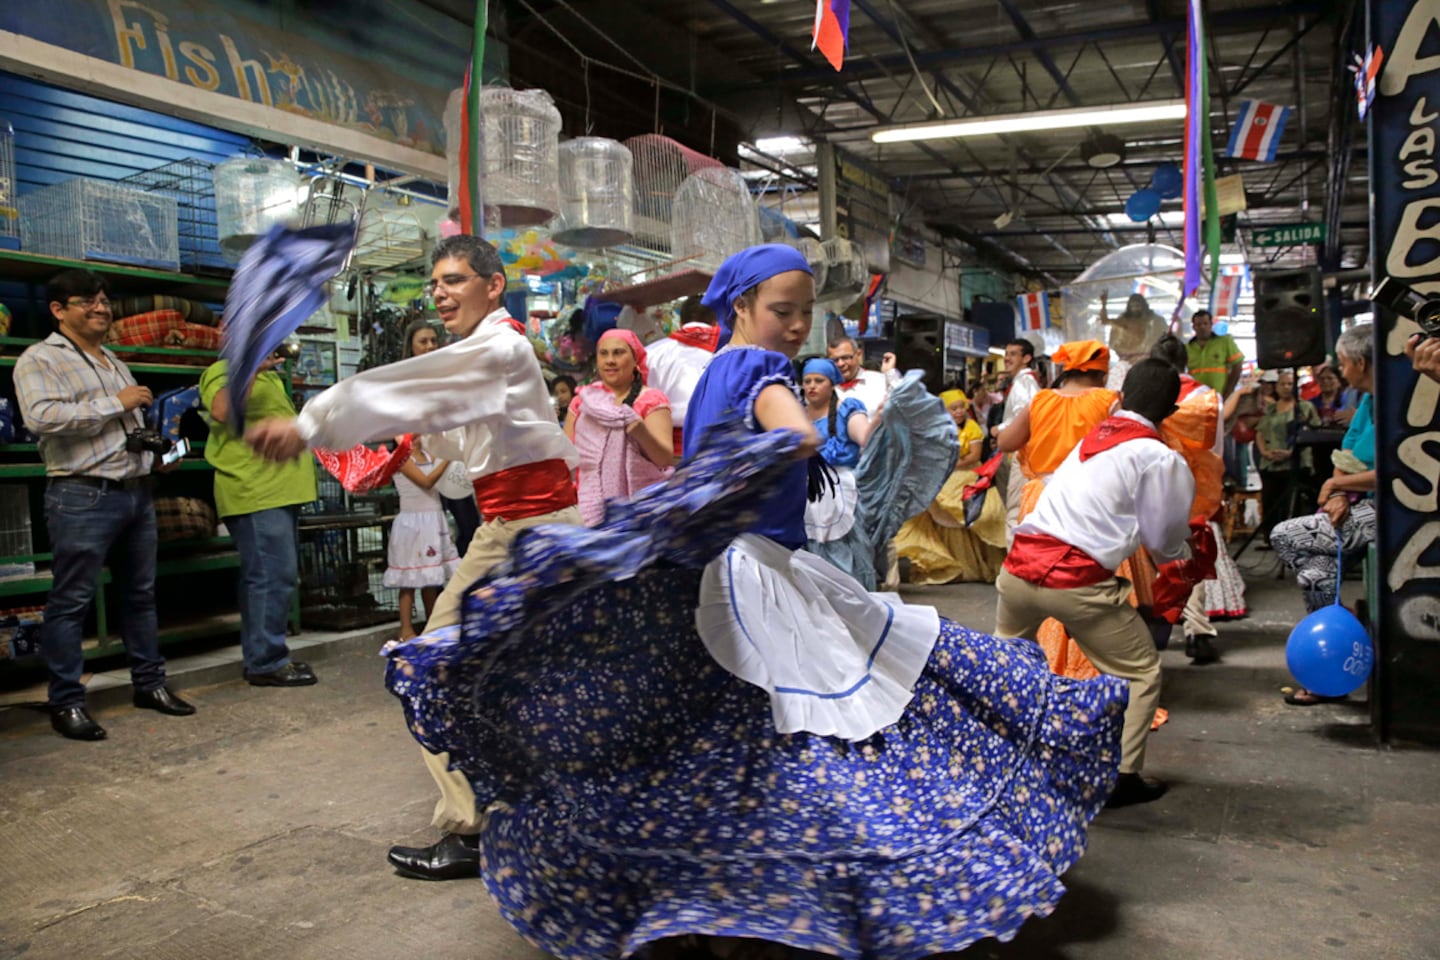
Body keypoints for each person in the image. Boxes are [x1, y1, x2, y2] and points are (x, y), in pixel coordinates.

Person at [378, 243, 1128, 959]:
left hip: (730, 569)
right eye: (782, 310)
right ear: (742, 306)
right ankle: (778, 900)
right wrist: (793, 439)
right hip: (754, 581)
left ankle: (725, 903)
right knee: (803, 738)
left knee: (731, 743)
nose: (797, 327)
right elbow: (793, 430)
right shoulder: (759, 368)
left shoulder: (715, 371)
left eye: (805, 313)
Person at [245, 234, 581, 881]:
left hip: (524, 533)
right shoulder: (492, 353)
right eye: (436, 283)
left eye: (454, 280)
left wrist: (311, 424)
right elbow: (454, 431)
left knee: (431, 667)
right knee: (525, 677)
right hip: (520, 529)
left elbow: (408, 391)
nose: (440, 293)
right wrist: (394, 442)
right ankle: (531, 814)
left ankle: (473, 828)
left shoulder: (498, 348)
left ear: (494, 284)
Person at [997, 359, 1198, 808]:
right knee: (1140, 672)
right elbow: (1162, 540)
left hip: (1018, 568)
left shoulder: (1089, 441)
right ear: (1170, 411)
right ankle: (1122, 777)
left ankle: (1004, 755)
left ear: (1120, 398)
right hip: (1075, 581)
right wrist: (1185, 554)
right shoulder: (1159, 457)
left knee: (1010, 667)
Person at [14, 269, 195, 741]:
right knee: (71, 601)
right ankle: (67, 702)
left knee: (140, 596)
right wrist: (116, 402)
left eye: (103, 301)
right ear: (58, 310)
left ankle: (149, 685)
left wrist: (160, 456)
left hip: (135, 491)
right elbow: (41, 417)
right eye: (87, 301)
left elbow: (128, 429)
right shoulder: (39, 359)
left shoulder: (112, 359)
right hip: (82, 493)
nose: (101, 308)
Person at [1271, 324, 1376, 706]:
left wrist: (1338, 486)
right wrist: (1340, 491)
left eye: (1344, 364)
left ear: (1361, 363)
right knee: (1315, 576)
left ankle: (1348, 621)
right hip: (1355, 502)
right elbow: (1344, 453)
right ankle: (1332, 676)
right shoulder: (1367, 403)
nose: (1341, 371)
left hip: (1381, 512)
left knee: (1284, 535)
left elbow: (1398, 470)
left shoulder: (1398, 404)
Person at [201, 354, 319, 687]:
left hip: (279, 491)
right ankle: (266, 661)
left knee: (270, 576)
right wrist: (251, 366)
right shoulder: (221, 370)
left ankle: (264, 655)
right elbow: (222, 410)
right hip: (256, 489)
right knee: (271, 576)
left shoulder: (270, 377)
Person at [1149, 335, 1244, 661]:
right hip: (1196, 490)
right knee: (1190, 559)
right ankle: (1197, 631)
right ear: (1185, 360)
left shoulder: (1150, 395)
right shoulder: (1208, 397)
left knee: (1154, 561)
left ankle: (1159, 626)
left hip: (1155, 488)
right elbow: (1215, 446)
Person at [895, 387, 1008, 583]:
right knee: (932, 505)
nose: (958, 412)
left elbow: (973, 455)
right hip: (943, 475)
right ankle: (947, 561)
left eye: (961, 407)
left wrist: (948, 464)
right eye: (953, 408)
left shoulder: (971, 427)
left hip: (968, 474)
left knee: (962, 507)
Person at [565, 329, 673, 526]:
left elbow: (664, 459)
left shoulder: (651, 400)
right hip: (587, 507)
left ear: (635, 359)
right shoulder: (582, 402)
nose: (610, 361)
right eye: (603, 353)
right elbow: (566, 459)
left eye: (618, 353)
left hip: (643, 512)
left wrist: (641, 433)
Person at [404, 319, 481, 557]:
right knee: (433, 531)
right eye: (423, 341)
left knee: (469, 525)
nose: (430, 346)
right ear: (411, 346)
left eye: (433, 341)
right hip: (421, 463)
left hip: (451, 461)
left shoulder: (447, 376)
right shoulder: (405, 382)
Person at [384, 437, 460, 640]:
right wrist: (447, 460)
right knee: (408, 580)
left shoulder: (427, 454)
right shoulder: (401, 458)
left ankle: (432, 626)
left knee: (430, 579)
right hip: (412, 524)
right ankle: (406, 630)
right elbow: (426, 482)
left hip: (434, 520)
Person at [646, 296, 719, 455]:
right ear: (715, 322)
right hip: (712, 445)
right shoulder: (729, 351)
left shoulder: (651, 353)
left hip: (659, 446)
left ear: (680, 322)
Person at [1254, 370, 1320, 546]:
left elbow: (1313, 433)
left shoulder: (1305, 407)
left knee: (1293, 504)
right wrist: (1264, 452)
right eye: (1282, 384)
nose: (1286, 387)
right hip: (1271, 463)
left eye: (1290, 384)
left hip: (1295, 463)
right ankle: (1272, 539)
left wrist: (1291, 452)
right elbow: (1260, 432)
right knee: (1270, 501)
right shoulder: (1271, 408)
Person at [991, 337, 1043, 544]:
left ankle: (1014, 558)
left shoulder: (1024, 382)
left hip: (1021, 453)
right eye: (1007, 354)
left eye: (1013, 354)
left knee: (1015, 509)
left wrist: (999, 429)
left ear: (1026, 358)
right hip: (1025, 452)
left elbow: (1024, 415)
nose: (1007, 359)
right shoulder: (1025, 381)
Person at [826, 335, 894, 414]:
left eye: (845, 357)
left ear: (859, 355)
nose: (840, 364)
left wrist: (890, 374)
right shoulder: (825, 388)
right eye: (835, 360)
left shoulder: (880, 381)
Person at [1185, 309, 1244, 397]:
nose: (1202, 327)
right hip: (1195, 398)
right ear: (1193, 327)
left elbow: (1238, 365)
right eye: (1198, 324)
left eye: (1205, 323)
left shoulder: (1225, 342)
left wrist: (1228, 391)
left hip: (1219, 396)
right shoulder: (1187, 348)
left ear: (1211, 325)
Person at [1098, 290, 1168, 363]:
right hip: (1128, 358)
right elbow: (1104, 321)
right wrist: (1103, 304)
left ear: (1144, 306)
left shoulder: (1155, 320)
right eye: (1133, 306)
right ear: (1129, 307)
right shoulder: (1124, 320)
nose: (1135, 308)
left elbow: (1164, 335)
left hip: (1148, 359)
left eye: (1137, 305)